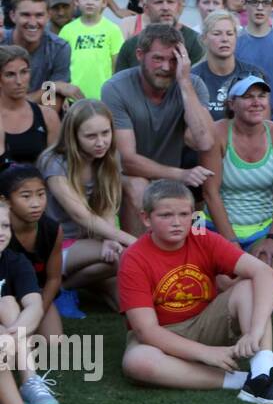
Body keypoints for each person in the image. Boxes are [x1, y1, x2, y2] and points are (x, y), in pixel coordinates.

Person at [118, 178, 273, 404]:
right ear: (146, 218)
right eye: (165, 215)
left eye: (184, 214)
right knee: (137, 362)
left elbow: (263, 272)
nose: (177, 222)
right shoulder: (134, 258)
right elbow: (146, 331)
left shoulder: (203, 238)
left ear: (193, 215)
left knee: (249, 285)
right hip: (162, 334)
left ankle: (263, 366)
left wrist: (255, 332)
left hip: (206, 322)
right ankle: (247, 380)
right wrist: (206, 353)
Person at [103, 25, 214, 235]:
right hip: (124, 177)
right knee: (139, 186)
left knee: (203, 182)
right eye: (158, 59)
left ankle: (194, 247)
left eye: (173, 60)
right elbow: (127, 161)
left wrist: (184, 83)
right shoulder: (115, 88)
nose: (166, 67)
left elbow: (205, 141)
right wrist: (181, 175)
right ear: (140, 55)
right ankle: (137, 256)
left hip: (176, 176)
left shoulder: (193, 85)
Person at [38, 99, 136, 308]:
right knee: (123, 257)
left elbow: (108, 204)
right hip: (55, 246)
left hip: (92, 242)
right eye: (91, 136)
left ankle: (68, 286)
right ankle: (55, 287)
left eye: (105, 133)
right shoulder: (54, 162)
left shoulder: (109, 157)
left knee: (125, 303)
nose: (100, 142)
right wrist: (132, 241)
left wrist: (110, 237)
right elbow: (80, 215)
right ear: (73, 136)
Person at [199, 76, 273, 276]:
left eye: (262, 96)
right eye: (247, 97)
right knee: (223, 281)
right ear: (232, 103)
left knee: (269, 275)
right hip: (217, 228)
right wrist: (231, 242)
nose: (256, 102)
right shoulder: (217, 132)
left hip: (263, 229)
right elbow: (210, 193)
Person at [0, 196, 69, 404]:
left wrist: (11, 335)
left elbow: (35, 305)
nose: (1, 233)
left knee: (7, 303)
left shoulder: (14, 260)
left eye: (5, 226)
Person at [4, 0, 77, 107]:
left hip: (41, 121)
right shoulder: (2, 44)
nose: (33, 22)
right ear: (12, 16)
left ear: (48, 16)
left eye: (39, 15)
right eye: (25, 15)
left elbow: (50, 107)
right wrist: (53, 87)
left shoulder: (59, 48)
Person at [116, 0, 205, 72]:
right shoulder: (131, 46)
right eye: (159, 2)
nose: (165, 8)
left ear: (178, 6)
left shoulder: (195, 42)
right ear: (146, 9)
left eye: (170, 2)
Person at [194, 9, 267, 120]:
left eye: (229, 34)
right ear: (204, 39)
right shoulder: (193, 77)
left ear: (236, 37)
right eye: (217, 34)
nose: (225, 39)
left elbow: (264, 122)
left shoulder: (253, 74)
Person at [59, 0, 123, 103]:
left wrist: (116, 94)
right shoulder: (67, 30)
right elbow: (62, 67)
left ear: (104, 2)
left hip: (104, 97)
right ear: (76, 1)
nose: (90, 2)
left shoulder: (112, 30)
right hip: (74, 97)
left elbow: (117, 66)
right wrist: (64, 96)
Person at [0, 47, 59, 173]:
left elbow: (56, 169)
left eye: (24, 72)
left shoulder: (48, 116)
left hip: (40, 189)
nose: (19, 81)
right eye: (10, 74)